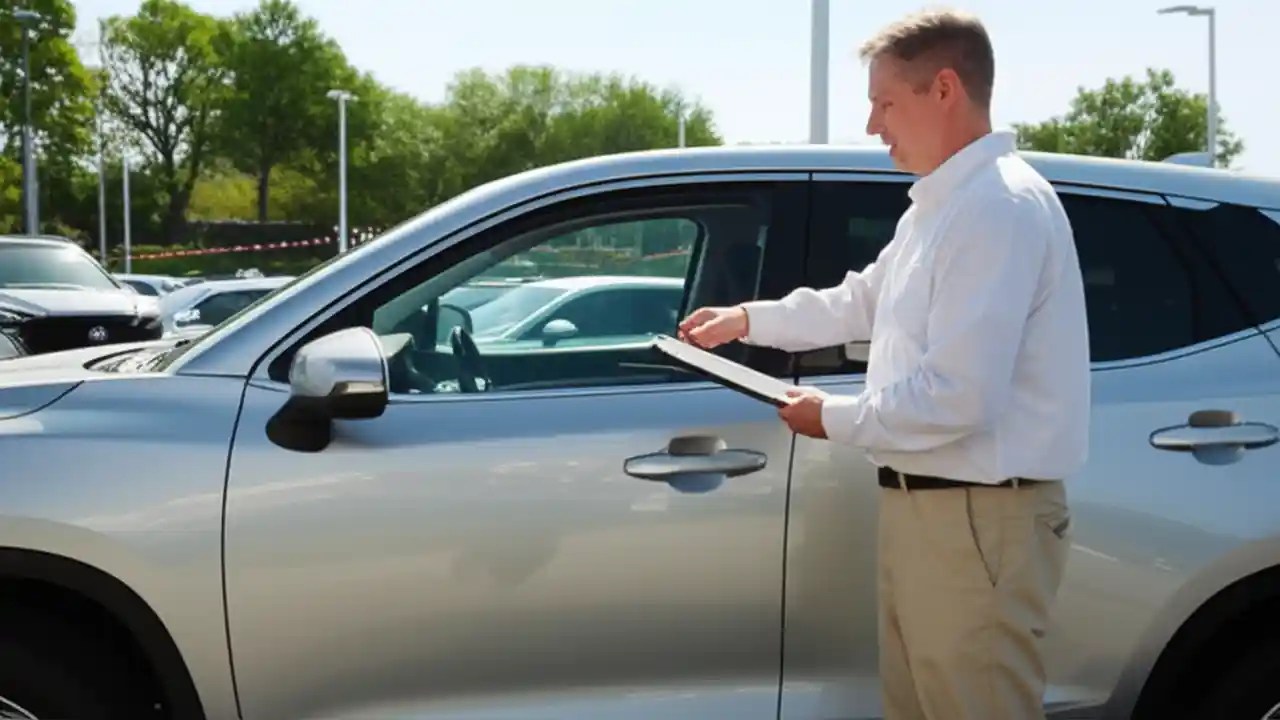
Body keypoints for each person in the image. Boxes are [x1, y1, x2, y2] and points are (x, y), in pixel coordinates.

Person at [678, 8, 1090, 720]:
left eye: (883, 102)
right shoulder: (943, 206)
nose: (873, 126)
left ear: (944, 90)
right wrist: (750, 319)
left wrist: (831, 418)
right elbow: (861, 301)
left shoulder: (997, 208)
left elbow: (960, 396)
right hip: (935, 511)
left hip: (976, 517)